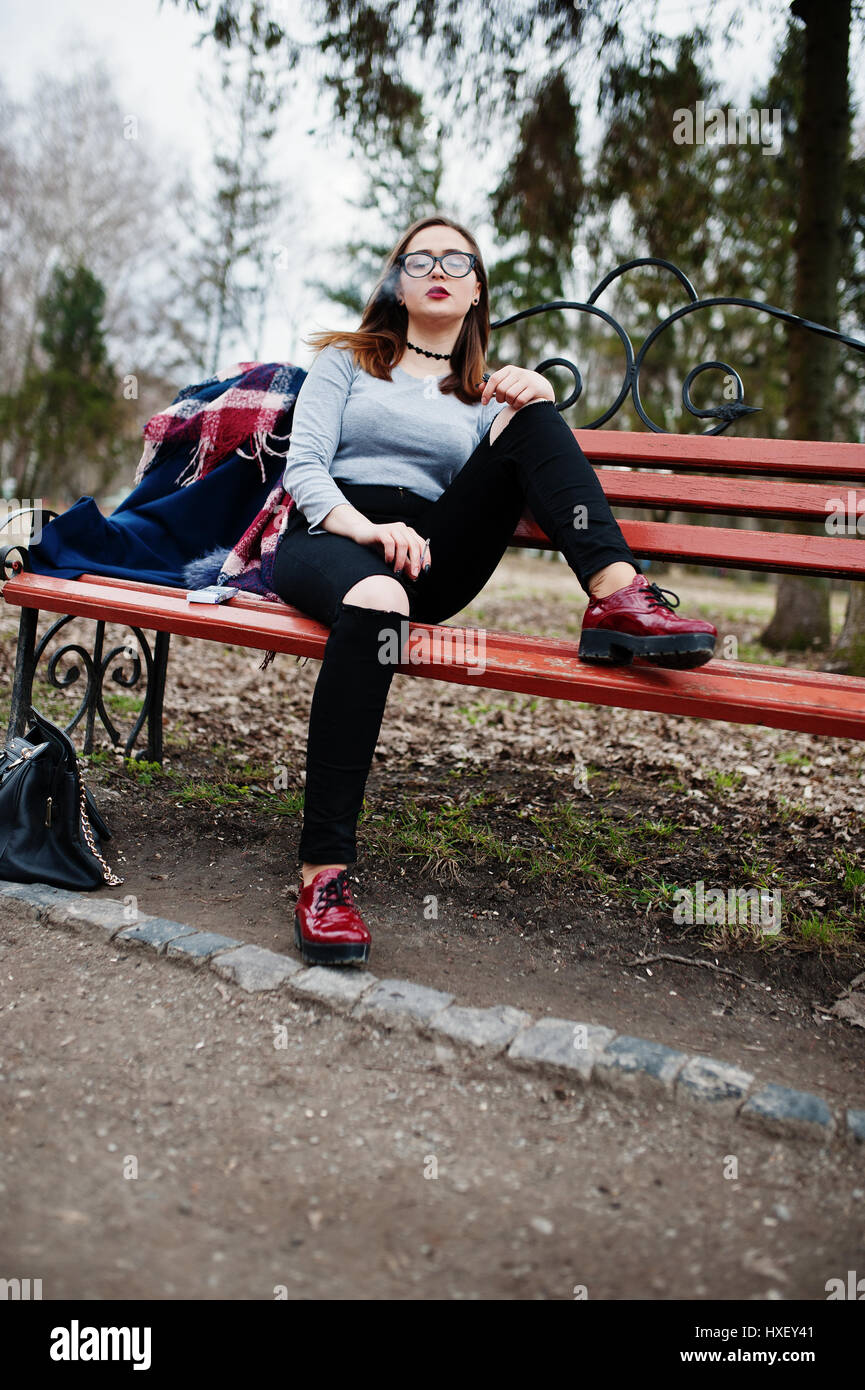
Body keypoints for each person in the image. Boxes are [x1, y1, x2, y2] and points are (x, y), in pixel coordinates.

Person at [271, 214, 717, 966]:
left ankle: (616, 593)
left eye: (456, 259)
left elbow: (521, 472)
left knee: (533, 412)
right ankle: (324, 876)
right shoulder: (346, 361)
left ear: (477, 288)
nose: (437, 268)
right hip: (334, 539)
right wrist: (368, 531)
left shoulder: (482, 393)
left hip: (432, 554)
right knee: (378, 605)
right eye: (419, 259)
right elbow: (304, 472)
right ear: (396, 281)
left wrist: (532, 394)